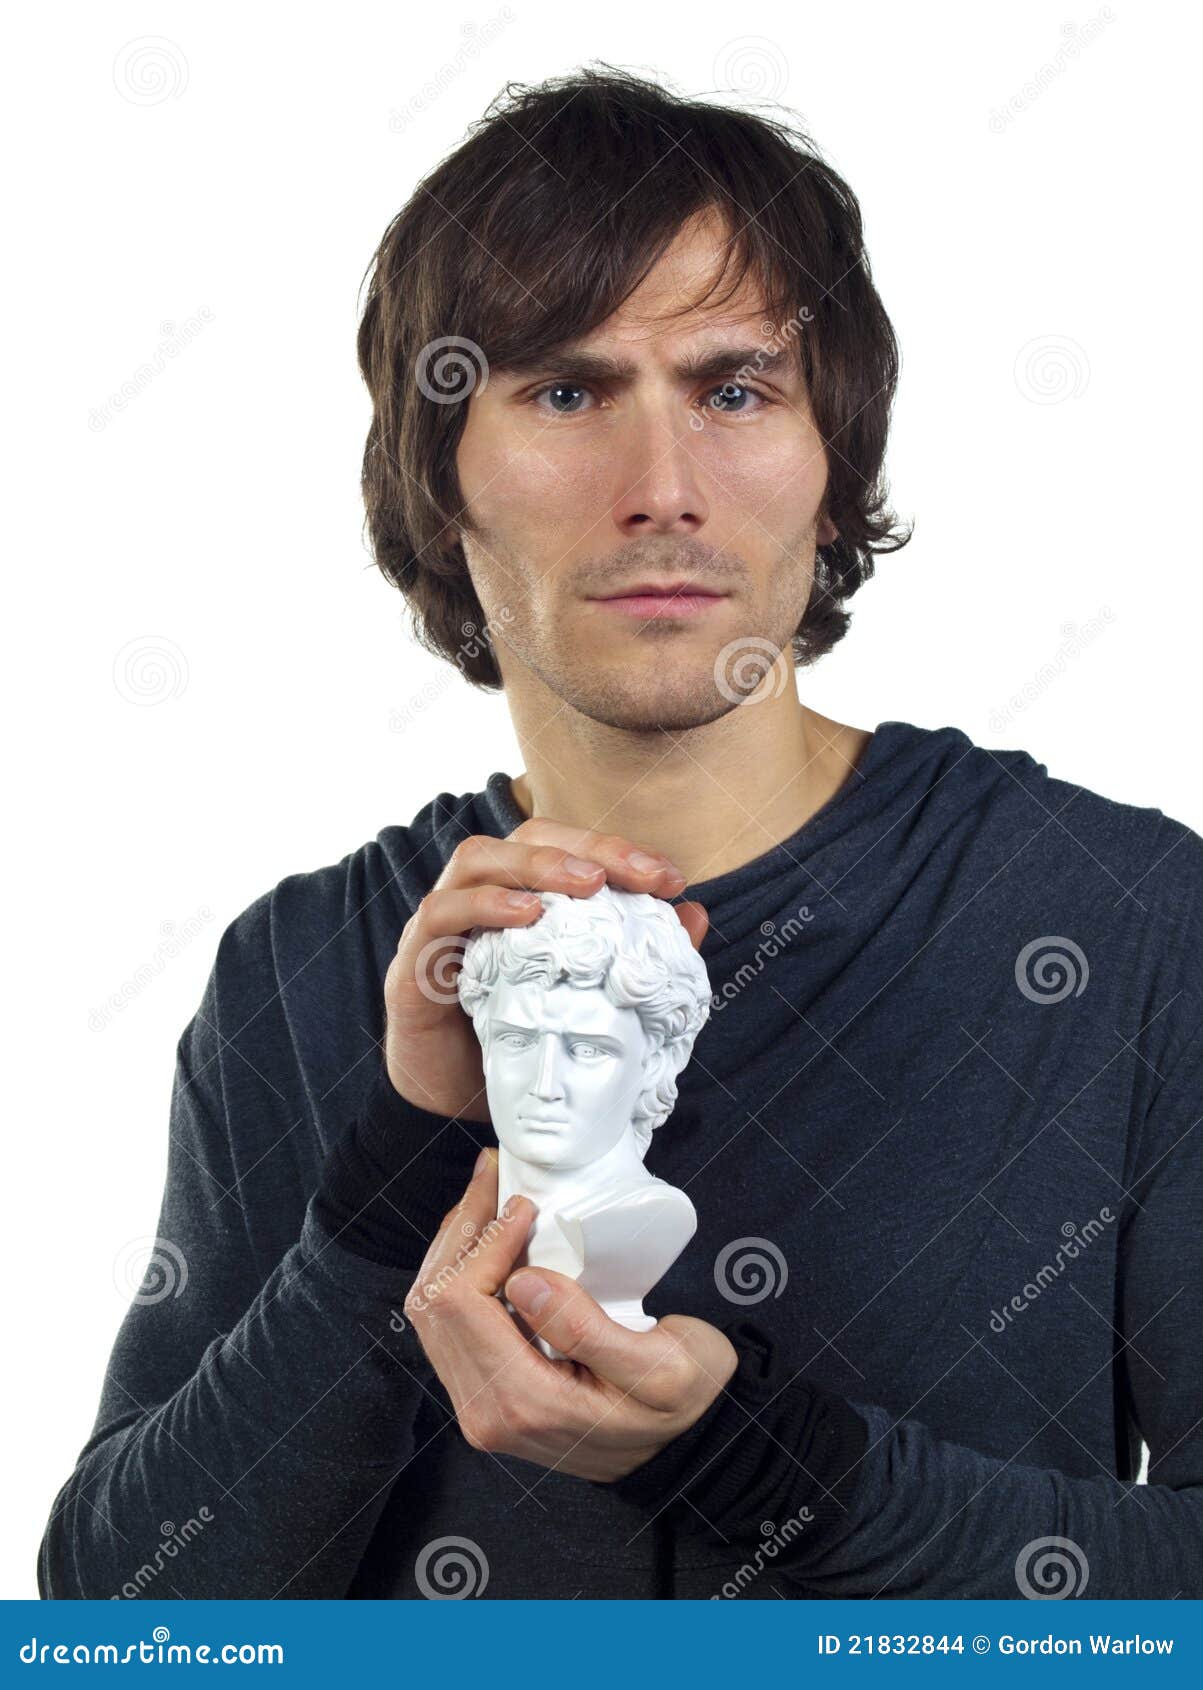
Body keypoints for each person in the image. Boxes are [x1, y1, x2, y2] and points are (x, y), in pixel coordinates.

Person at [39, 67, 1203, 1602]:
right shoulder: (301, 969)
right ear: (440, 481)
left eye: (734, 389)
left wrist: (762, 1464)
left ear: (833, 469)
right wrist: (395, 1172)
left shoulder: (1127, 923)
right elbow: (126, 1615)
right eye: (566, 391)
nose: (661, 489)